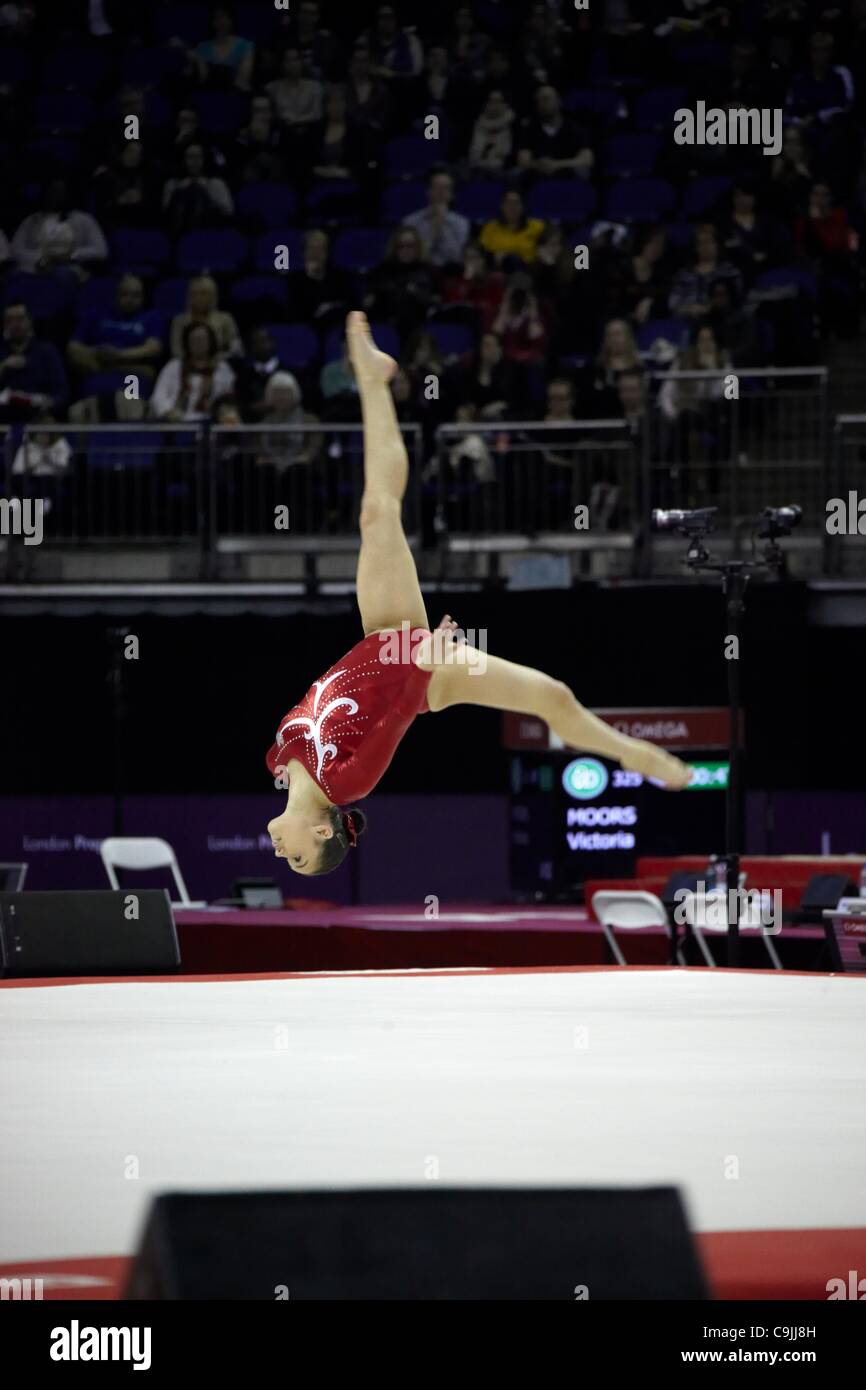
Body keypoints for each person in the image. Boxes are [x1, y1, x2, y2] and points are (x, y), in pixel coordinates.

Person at [265, 313, 690, 876]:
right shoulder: (348, 783)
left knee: (376, 511)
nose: (279, 851)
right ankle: (631, 753)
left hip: (380, 639)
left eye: (285, 858)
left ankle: (372, 380)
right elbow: (393, 717)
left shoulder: (276, 761)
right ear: (322, 831)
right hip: (420, 671)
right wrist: (424, 660)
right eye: (297, 856)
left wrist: (397, 650)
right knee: (552, 695)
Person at [10, 178, 108, 277]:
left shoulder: (84, 220)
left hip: (69, 270)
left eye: (61, 191)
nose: (57, 195)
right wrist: (42, 258)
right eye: (53, 191)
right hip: (34, 269)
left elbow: (101, 251)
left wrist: (70, 256)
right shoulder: (32, 220)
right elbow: (16, 250)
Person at [150, 323, 235, 422]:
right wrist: (168, 411)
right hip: (176, 421)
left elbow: (227, 398)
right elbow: (158, 395)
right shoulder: (174, 366)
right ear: (187, 343)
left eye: (202, 339)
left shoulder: (222, 368)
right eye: (193, 340)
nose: (198, 343)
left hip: (210, 422)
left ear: (210, 342)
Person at [0, 303, 68, 422]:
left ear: (30, 321)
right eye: (9, 320)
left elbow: (61, 393)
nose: (15, 324)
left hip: (37, 416)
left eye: (20, 319)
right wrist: (3, 366)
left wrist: (48, 403)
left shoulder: (47, 352)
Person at [404, 170, 470, 268]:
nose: (441, 192)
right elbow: (414, 256)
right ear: (428, 191)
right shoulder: (411, 221)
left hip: (450, 274)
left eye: (446, 188)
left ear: (452, 194)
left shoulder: (461, 223)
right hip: (419, 271)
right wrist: (434, 230)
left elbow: (457, 258)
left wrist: (442, 225)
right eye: (436, 187)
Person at [170, 275, 242, 361]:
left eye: (203, 293)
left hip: (220, 365)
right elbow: (176, 351)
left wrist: (216, 360)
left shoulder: (225, 319)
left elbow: (237, 349)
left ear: (213, 296)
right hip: (187, 367)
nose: (198, 298)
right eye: (194, 294)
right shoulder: (179, 321)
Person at [192, 5, 254, 90]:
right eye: (217, 17)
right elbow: (203, 78)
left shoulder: (245, 45)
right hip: (209, 95)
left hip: (237, 95)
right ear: (212, 21)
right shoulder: (202, 48)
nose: (222, 21)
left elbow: (243, 79)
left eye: (225, 17)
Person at [478, 189, 545, 266]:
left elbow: (545, 251)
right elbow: (482, 254)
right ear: (502, 206)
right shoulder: (490, 227)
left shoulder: (537, 227)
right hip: (497, 271)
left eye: (516, 203)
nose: (512, 207)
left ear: (523, 207)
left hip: (528, 270)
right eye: (508, 203)